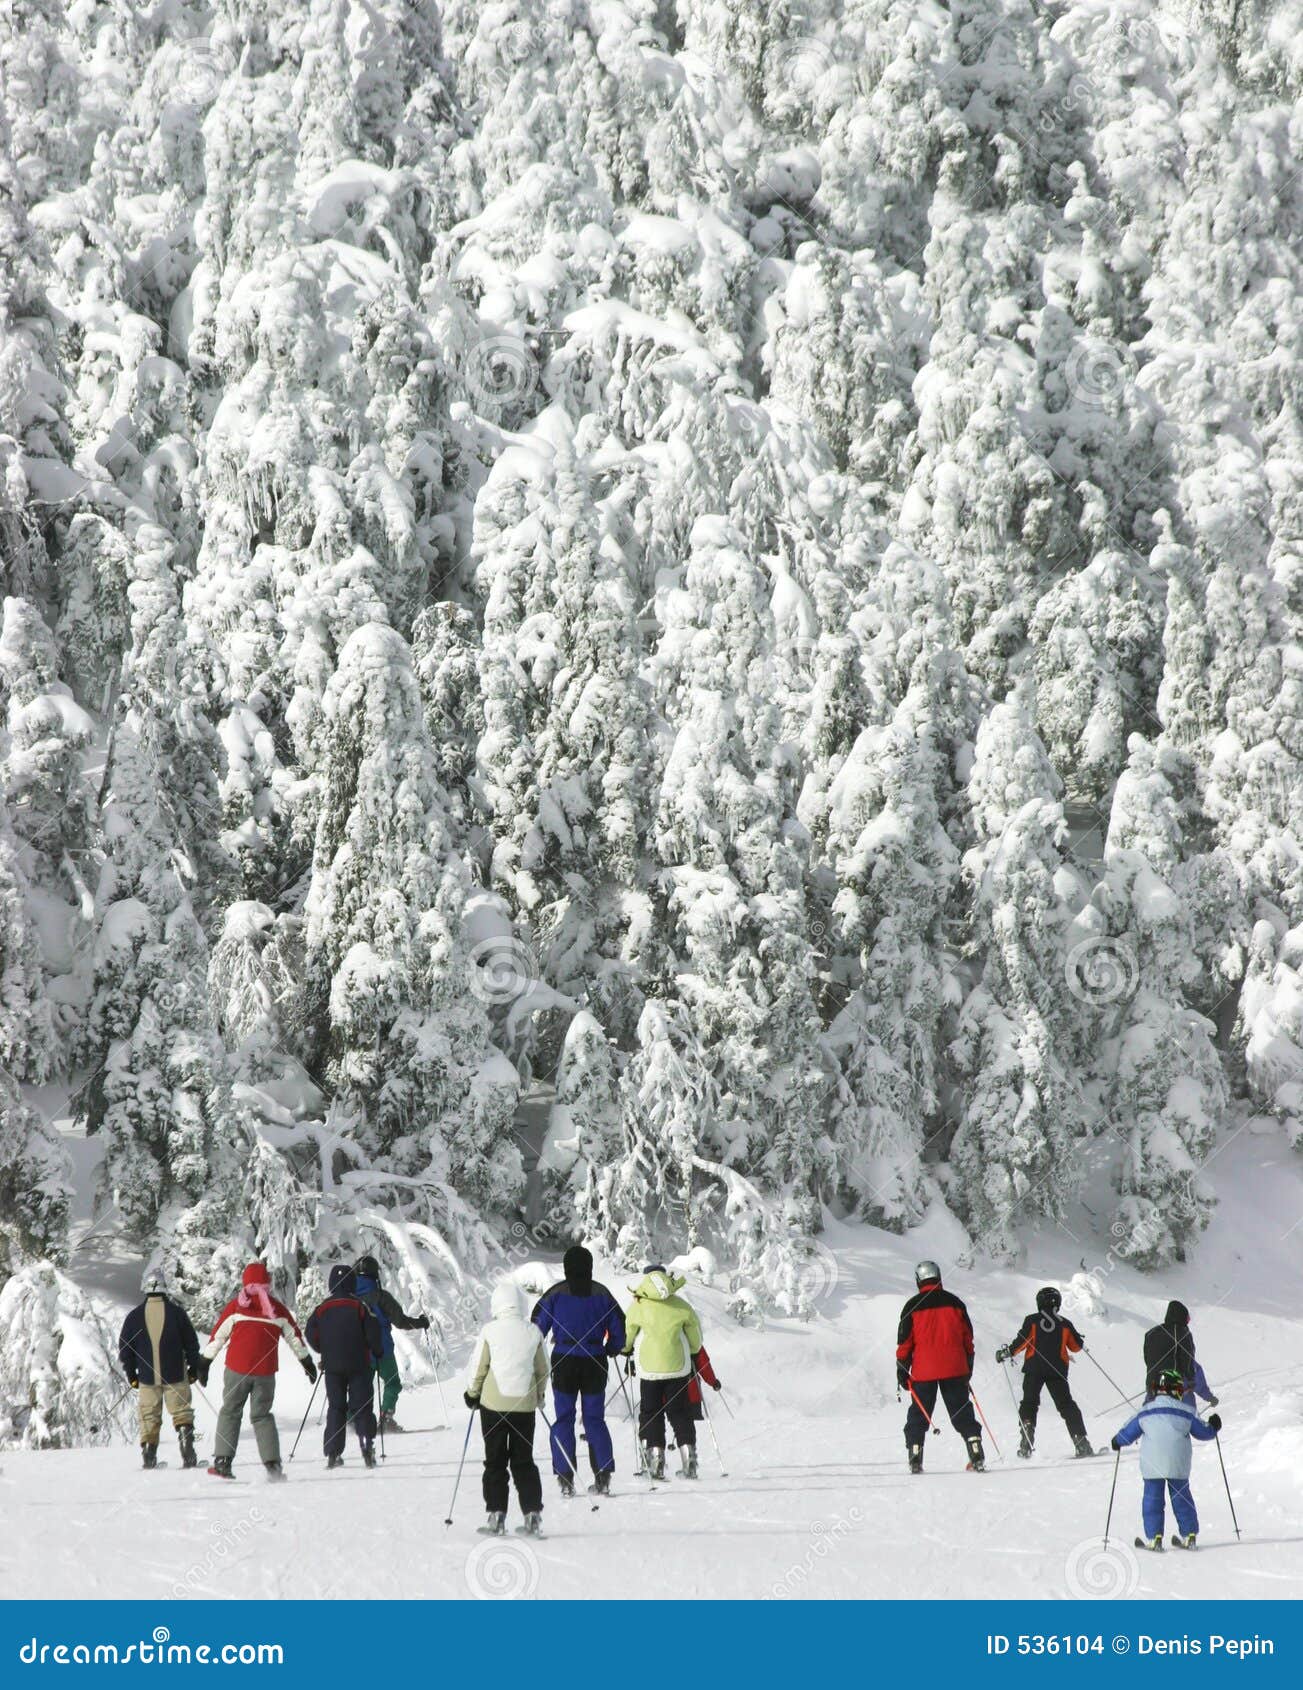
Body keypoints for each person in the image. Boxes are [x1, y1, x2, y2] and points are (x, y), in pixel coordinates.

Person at [201, 1262, 316, 1480]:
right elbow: (294, 1338)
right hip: (265, 1373)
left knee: (230, 1412)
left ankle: (223, 1462)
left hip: (237, 1369)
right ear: (268, 1284)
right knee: (262, 1416)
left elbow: (218, 1336)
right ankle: (273, 1465)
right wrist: (306, 1362)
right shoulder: (278, 1310)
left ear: (245, 1282)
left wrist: (204, 1362)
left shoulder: (236, 1307)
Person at [531, 1244, 626, 1497]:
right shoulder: (602, 1293)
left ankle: (565, 1478)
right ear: (590, 1266)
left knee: (564, 1419)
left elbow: (536, 1325)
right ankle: (603, 1475)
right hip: (595, 1360)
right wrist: (612, 1348)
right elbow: (619, 1325)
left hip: (564, 1360)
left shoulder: (556, 1293)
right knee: (594, 1418)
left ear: (566, 1267)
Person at [464, 1280, 549, 1537]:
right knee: (524, 1461)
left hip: (493, 1406)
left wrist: (472, 1394)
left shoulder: (489, 1331)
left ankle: (496, 1516)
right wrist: (539, 1395)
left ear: (496, 1304)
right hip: (525, 1406)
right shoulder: (533, 1332)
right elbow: (543, 1369)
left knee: (495, 1462)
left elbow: (479, 1367)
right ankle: (532, 1515)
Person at [1111, 1368, 1222, 1550]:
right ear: (1176, 1389)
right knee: (1181, 1498)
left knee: (1152, 1500)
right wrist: (1214, 1426)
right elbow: (1204, 1432)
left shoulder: (1146, 1412)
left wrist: (1117, 1441)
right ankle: (1189, 1535)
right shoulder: (1186, 1411)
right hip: (1178, 1464)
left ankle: (1154, 1538)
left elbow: (1127, 1434)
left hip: (1152, 1465)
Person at [896, 1259, 984, 1474]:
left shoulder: (912, 1305)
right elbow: (968, 1339)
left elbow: (905, 1342)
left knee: (919, 1413)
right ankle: (975, 1448)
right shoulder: (955, 1303)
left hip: (924, 1371)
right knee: (962, 1411)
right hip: (955, 1367)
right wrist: (968, 1365)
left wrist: (901, 1368)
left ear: (919, 1280)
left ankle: (915, 1454)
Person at [621, 1266, 705, 1479]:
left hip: (649, 1370)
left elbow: (627, 1333)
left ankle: (655, 1463)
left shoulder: (638, 1306)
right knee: (680, 1413)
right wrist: (694, 1351)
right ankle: (690, 1461)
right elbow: (695, 1336)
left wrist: (625, 1349)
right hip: (678, 1368)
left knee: (651, 1413)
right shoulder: (681, 1305)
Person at [117, 1268, 205, 1470]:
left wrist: (132, 1375)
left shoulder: (134, 1317)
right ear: (164, 1288)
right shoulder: (177, 1313)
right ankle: (186, 1447)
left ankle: (149, 1454)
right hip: (176, 1374)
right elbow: (191, 1343)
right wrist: (193, 1369)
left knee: (148, 1414)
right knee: (182, 1411)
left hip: (147, 1377)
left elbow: (125, 1349)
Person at [996, 1286, 1095, 1459]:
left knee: (1029, 1403)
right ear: (1058, 1302)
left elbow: (1021, 1342)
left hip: (1034, 1368)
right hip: (1057, 1370)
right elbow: (1076, 1346)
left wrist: (1007, 1353)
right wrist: (1079, 1338)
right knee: (1066, 1405)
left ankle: (1026, 1438)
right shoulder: (1064, 1323)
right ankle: (1081, 1442)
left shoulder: (1032, 1320)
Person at [305, 1266, 383, 1470]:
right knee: (362, 1406)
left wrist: (323, 1348)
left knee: (336, 1407)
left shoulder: (321, 1308)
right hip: (359, 1364)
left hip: (332, 1367)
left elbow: (310, 1332)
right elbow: (373, 1333)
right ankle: (366, 1447)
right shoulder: (360, 1306)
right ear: (352, 1283)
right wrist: (377, 1351)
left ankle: (333, 1453)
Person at [352, 1254, 429, 1433]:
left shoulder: (350, 1298)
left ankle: (352, 1421)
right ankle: (386, 1418)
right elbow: (401, 1322)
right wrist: (420, 1322)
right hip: (382, 1350)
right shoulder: (381, 1296)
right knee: (392, 1383)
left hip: (358, 1353)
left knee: (361, 1388)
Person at [1143, 1300, 1217, 1405]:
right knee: (1187, 1418)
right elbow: (1190, 1366)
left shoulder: (1151, 1334)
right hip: (1178, 1393)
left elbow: (1148, 1359)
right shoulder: (1183, 1334)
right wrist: (1208, 1396)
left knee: (1149, 1418)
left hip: (1153, 1390)